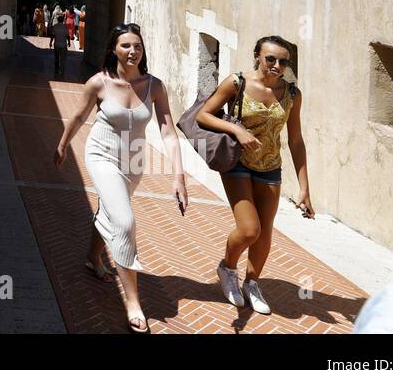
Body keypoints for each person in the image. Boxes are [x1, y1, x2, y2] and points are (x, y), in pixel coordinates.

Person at [54, 23, 187, 333]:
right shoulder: (98, 83)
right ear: (113, 49)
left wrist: (178, 175)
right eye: (126, 45)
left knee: (110, 210)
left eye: (137, 46)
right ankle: (132, 302)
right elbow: (78, 116)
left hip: (134, 163)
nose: (132, 51)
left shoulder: (154, 86)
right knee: (124, 222)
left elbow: (168, 131)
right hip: (101, 156)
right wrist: (62, 144)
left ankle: (92, 257)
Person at [196, 35, 312, 317]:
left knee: (265, 233)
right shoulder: (238, 83)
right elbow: (203, 115)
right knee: (250, 229)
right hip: (237, 162)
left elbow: (295, 140)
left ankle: (252, 283)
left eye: (283, 61)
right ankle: (227, 267)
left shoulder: (292, 94)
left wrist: (304, 188)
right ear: (257, 56)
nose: (276, 65)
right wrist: (237, 130)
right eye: (270, 58)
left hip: (270, 166)